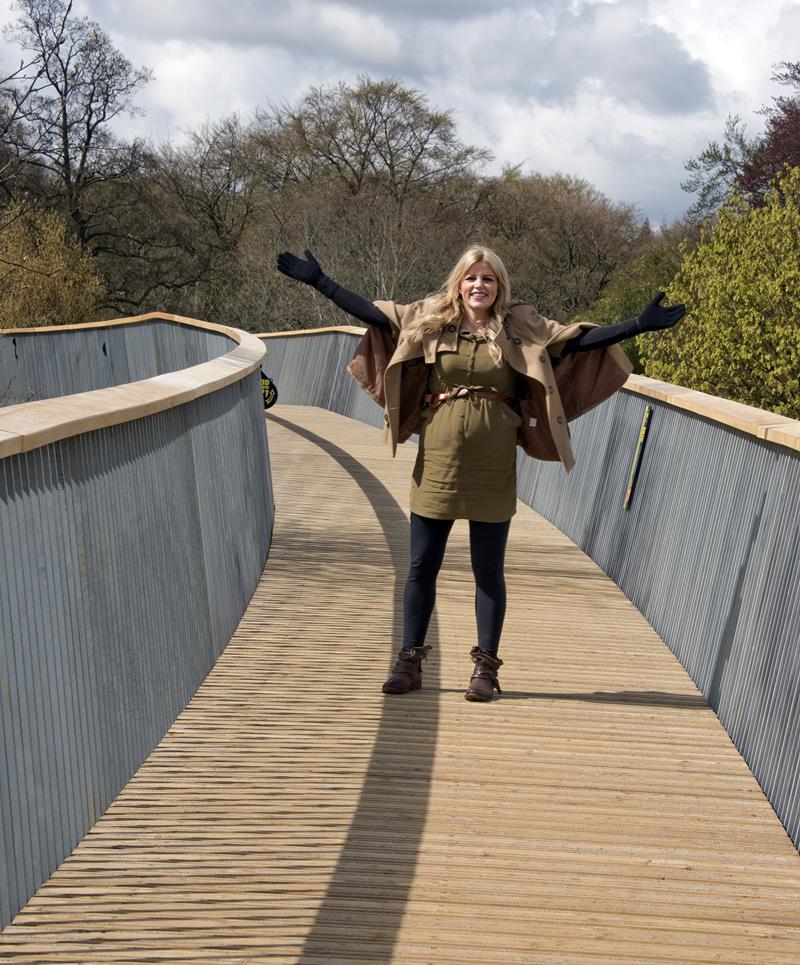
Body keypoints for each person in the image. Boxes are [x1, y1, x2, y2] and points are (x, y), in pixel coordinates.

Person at [277, 246, 685, 701]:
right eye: (472, 278)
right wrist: (320, 281)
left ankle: (485, 671)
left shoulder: (520, 324)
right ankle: (409, 661)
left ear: (499, 286)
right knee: (420, 566)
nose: (479, 286)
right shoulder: (430, 315)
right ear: (459, 282)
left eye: (488, 279)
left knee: (488, 570)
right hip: (438, 461)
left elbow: (574, 341)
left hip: (493, 465)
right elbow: (375, 314)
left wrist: (635, 325)